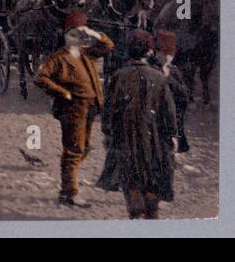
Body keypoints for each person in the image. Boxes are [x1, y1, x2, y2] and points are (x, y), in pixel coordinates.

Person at [37, 11, 115, 208]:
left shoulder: (86, 53)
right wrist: (63, 92)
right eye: (74, 34)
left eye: (81, 35)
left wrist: (93, 32)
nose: (78, 38)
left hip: (91, 107)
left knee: (84, 148)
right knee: (74, 150)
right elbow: (41, 78)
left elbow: (109, 46)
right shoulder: (58, 58)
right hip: (72, 109)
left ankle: (69, 180)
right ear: (66, 35)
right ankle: (69, 192)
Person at [97, 31, 177, 219]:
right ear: (149, 52)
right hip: (153, 139)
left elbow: (108, 109)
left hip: (126, 138)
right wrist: (171, 135)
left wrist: (108, 133)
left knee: (130, 178)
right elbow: (169, 112)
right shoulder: (159, 78)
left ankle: (136, 213)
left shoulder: (118, 76)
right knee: (151, 177)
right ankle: (151, 213)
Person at [151, 30, 190, 153]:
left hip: (170, 122)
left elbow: (184, 95)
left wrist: (169, 78)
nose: (168, 57)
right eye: (164, 53)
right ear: (156, 53)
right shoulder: (151, 69)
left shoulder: (175, 71)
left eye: (170, 54)